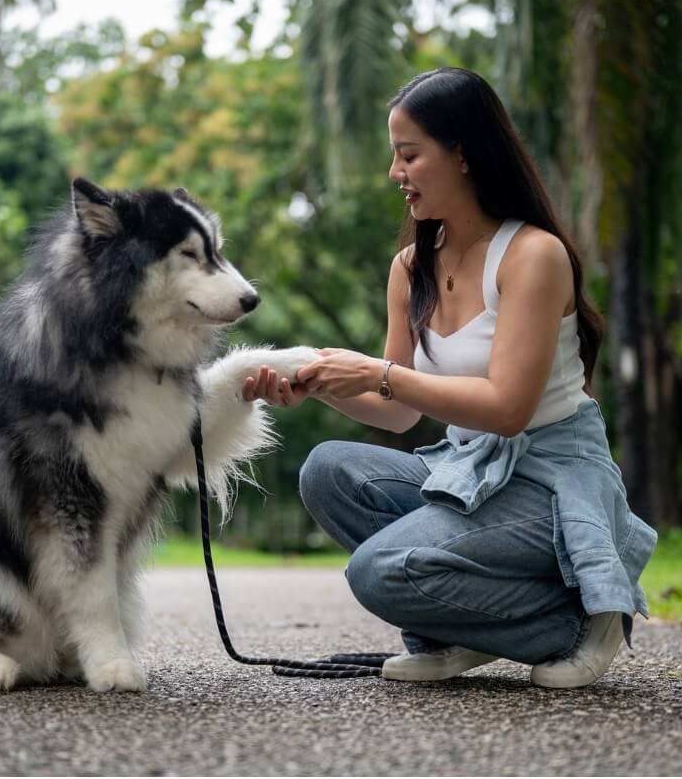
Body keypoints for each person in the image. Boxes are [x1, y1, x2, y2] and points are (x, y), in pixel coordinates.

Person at [240, 67, 656, 687]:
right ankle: (452, 632)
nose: (394, 173)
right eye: (394, 156)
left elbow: (508, 408)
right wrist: (328, 384)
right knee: (327, 470)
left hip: (551, 481)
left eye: (409, 155)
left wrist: (376, 373)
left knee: (377, 571)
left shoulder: (532, 255)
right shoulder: (411, 267)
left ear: (462, 154)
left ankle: (576, 621)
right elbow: (401, 411)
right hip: (469, 470)